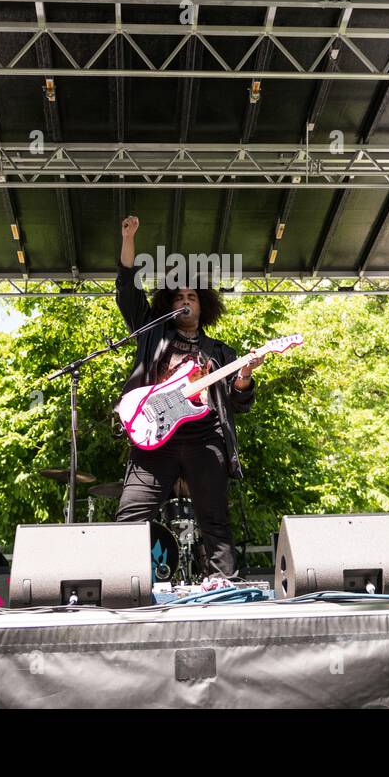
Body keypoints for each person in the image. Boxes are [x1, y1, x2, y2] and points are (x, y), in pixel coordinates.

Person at [113, 215, 262, 581]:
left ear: (203, 304)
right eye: (178, 296)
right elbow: (127, 291)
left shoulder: (220, 353)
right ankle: (120, 581)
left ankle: (221, 582)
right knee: (131, 515)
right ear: (168, 303)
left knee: (214, 518)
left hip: (204, 439)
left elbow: (239, 403)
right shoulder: (153, 335)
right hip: (154, 440)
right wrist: (129, 239)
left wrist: (243, 376)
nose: (185, 301)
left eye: (192, 296)